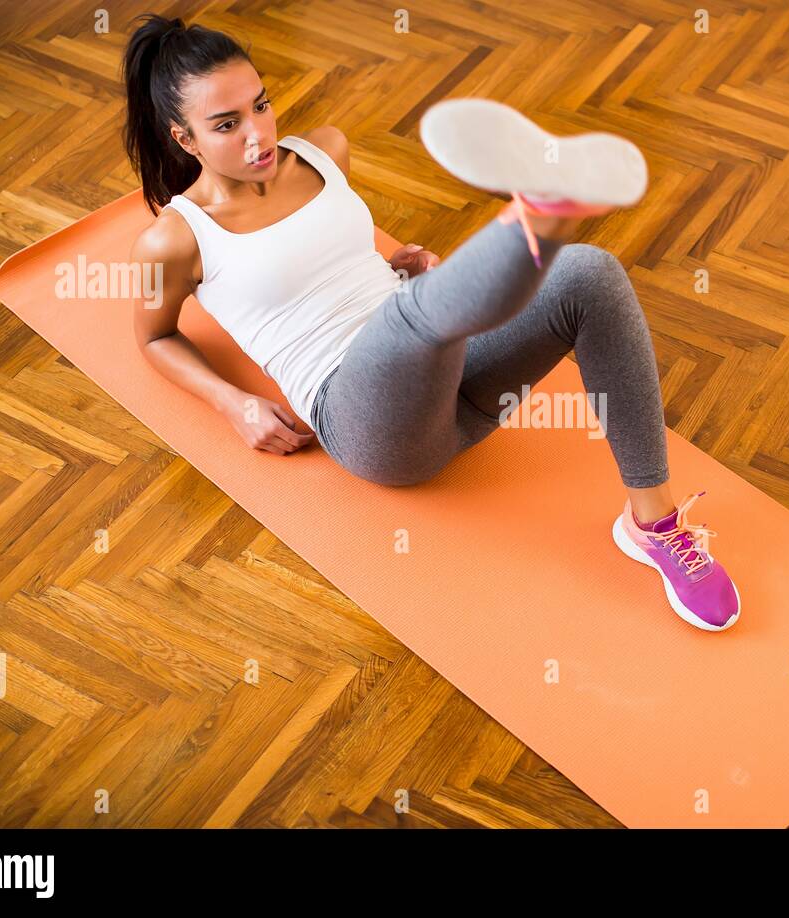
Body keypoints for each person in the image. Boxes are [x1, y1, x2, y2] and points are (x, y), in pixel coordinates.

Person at [122, 13, 740, 630]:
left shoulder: (323, 151)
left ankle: (652, 523)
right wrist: (234, 404)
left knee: (588, 272)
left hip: (457, 376)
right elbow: (154, 336)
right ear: (185, 140)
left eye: (261, 105)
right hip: (370, 424)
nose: (257, 134)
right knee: (409, 319)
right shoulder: (176, 239)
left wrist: (396, 261)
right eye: (227, 125)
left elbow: (334, 258)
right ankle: (534, 215)